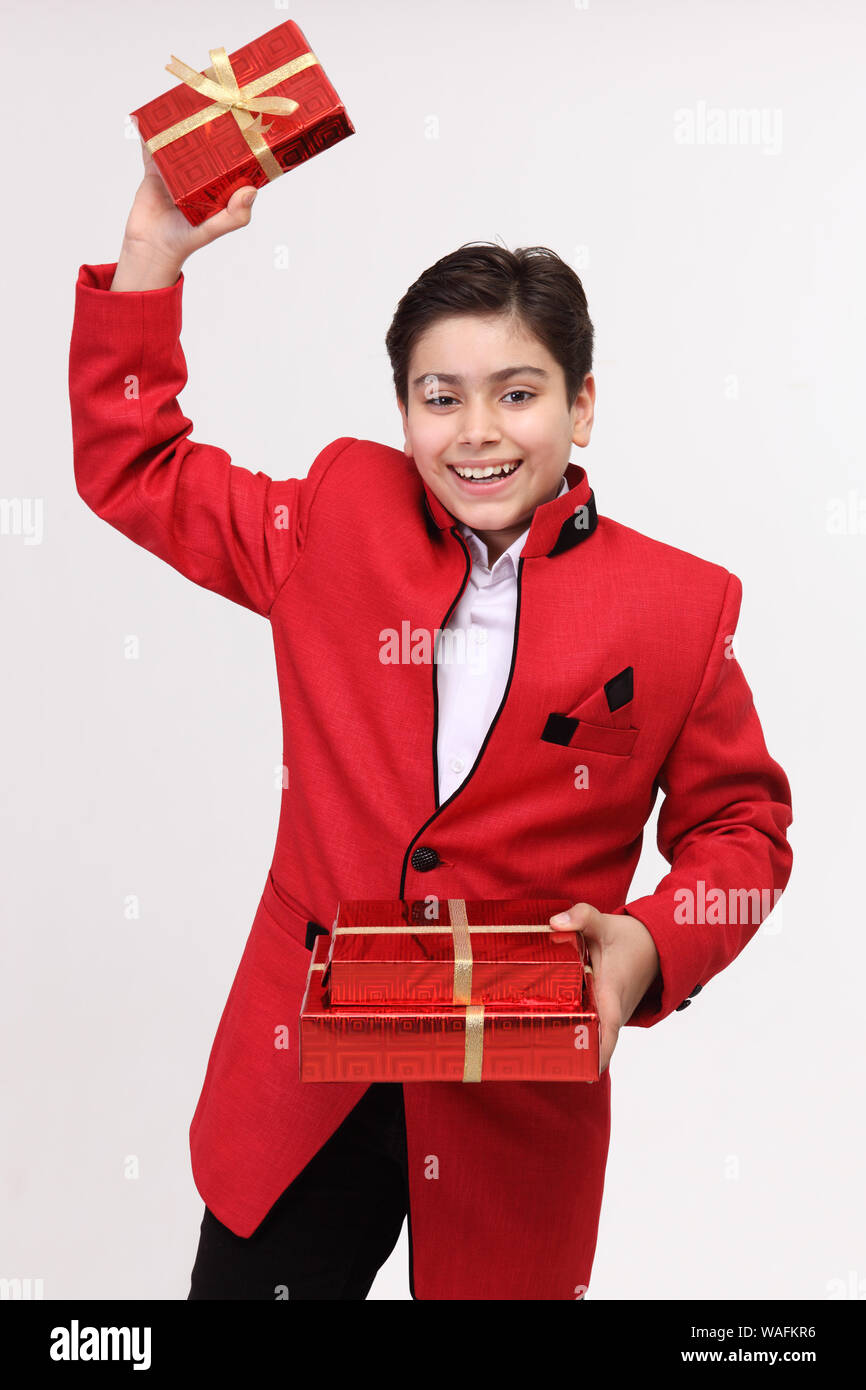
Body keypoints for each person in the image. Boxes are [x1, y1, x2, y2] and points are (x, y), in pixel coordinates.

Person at [67, 140, 794, 1300]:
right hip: (305, 1080)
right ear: (401, 409)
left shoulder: (676, 606)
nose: (476, 433)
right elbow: (138, 465)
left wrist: (646, 947)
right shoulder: (333, 519)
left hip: (518, 1105)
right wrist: (153, 254)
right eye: (437, 396)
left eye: (517, 393)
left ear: (582, 404)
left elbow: (745, 834)